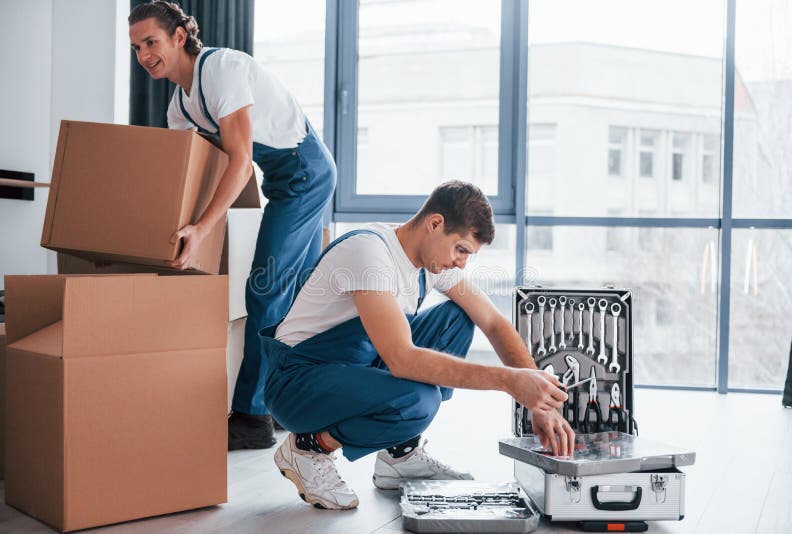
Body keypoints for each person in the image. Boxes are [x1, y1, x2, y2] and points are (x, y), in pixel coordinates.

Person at [262, 181, 574, 510]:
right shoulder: (369, 254)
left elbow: (493, 322)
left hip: (353, 367)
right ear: (435, 224)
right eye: (461, 249)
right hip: (297, 383)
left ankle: (399, 456)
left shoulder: (429, 261)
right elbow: (402, 360)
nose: (462, 262)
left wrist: (542, 405)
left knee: (457, 317)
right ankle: (309, 448)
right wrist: (510, 382)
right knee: (417, 400)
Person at [129, 1, 335, 450]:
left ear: (179, 36)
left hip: (306, 173)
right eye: (137, 47)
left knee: (264, 291)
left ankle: (252, 416)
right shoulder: (180, 108)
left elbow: (240, 161)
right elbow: (188, 177)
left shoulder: (220, 70)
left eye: (152, 42)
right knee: (288, 299)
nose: (144, 55)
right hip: (283, 179)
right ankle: (287, 405)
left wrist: (201, 229)